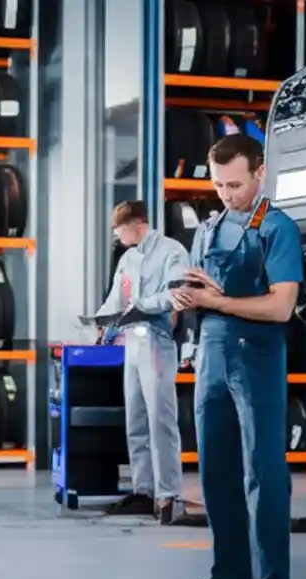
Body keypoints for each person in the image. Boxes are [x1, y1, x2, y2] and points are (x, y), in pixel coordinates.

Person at [170, 134, 304, 579]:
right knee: (217, 471)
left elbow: (282, 306)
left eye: (235, 184)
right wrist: (184, 297)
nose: (227, 194)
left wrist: (217, 301)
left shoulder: (278, 229)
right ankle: (230, 574)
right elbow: (202, 289)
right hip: (210, 357)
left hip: (257, 360)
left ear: (260, 173)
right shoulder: (207, 230)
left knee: (264, 473)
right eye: (219, 185)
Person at [93, 200, 191, 525]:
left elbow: (179, 293)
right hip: (130, 343)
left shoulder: (171, 251)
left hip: (156, 340)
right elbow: (115, 298)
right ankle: (143, 490)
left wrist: (142, 305)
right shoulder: (127, 258)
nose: (117, 236)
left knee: (160, 419)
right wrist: (102, 322)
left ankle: (168, 494)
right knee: (135, 420)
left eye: (118, 230)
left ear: (136, 224)